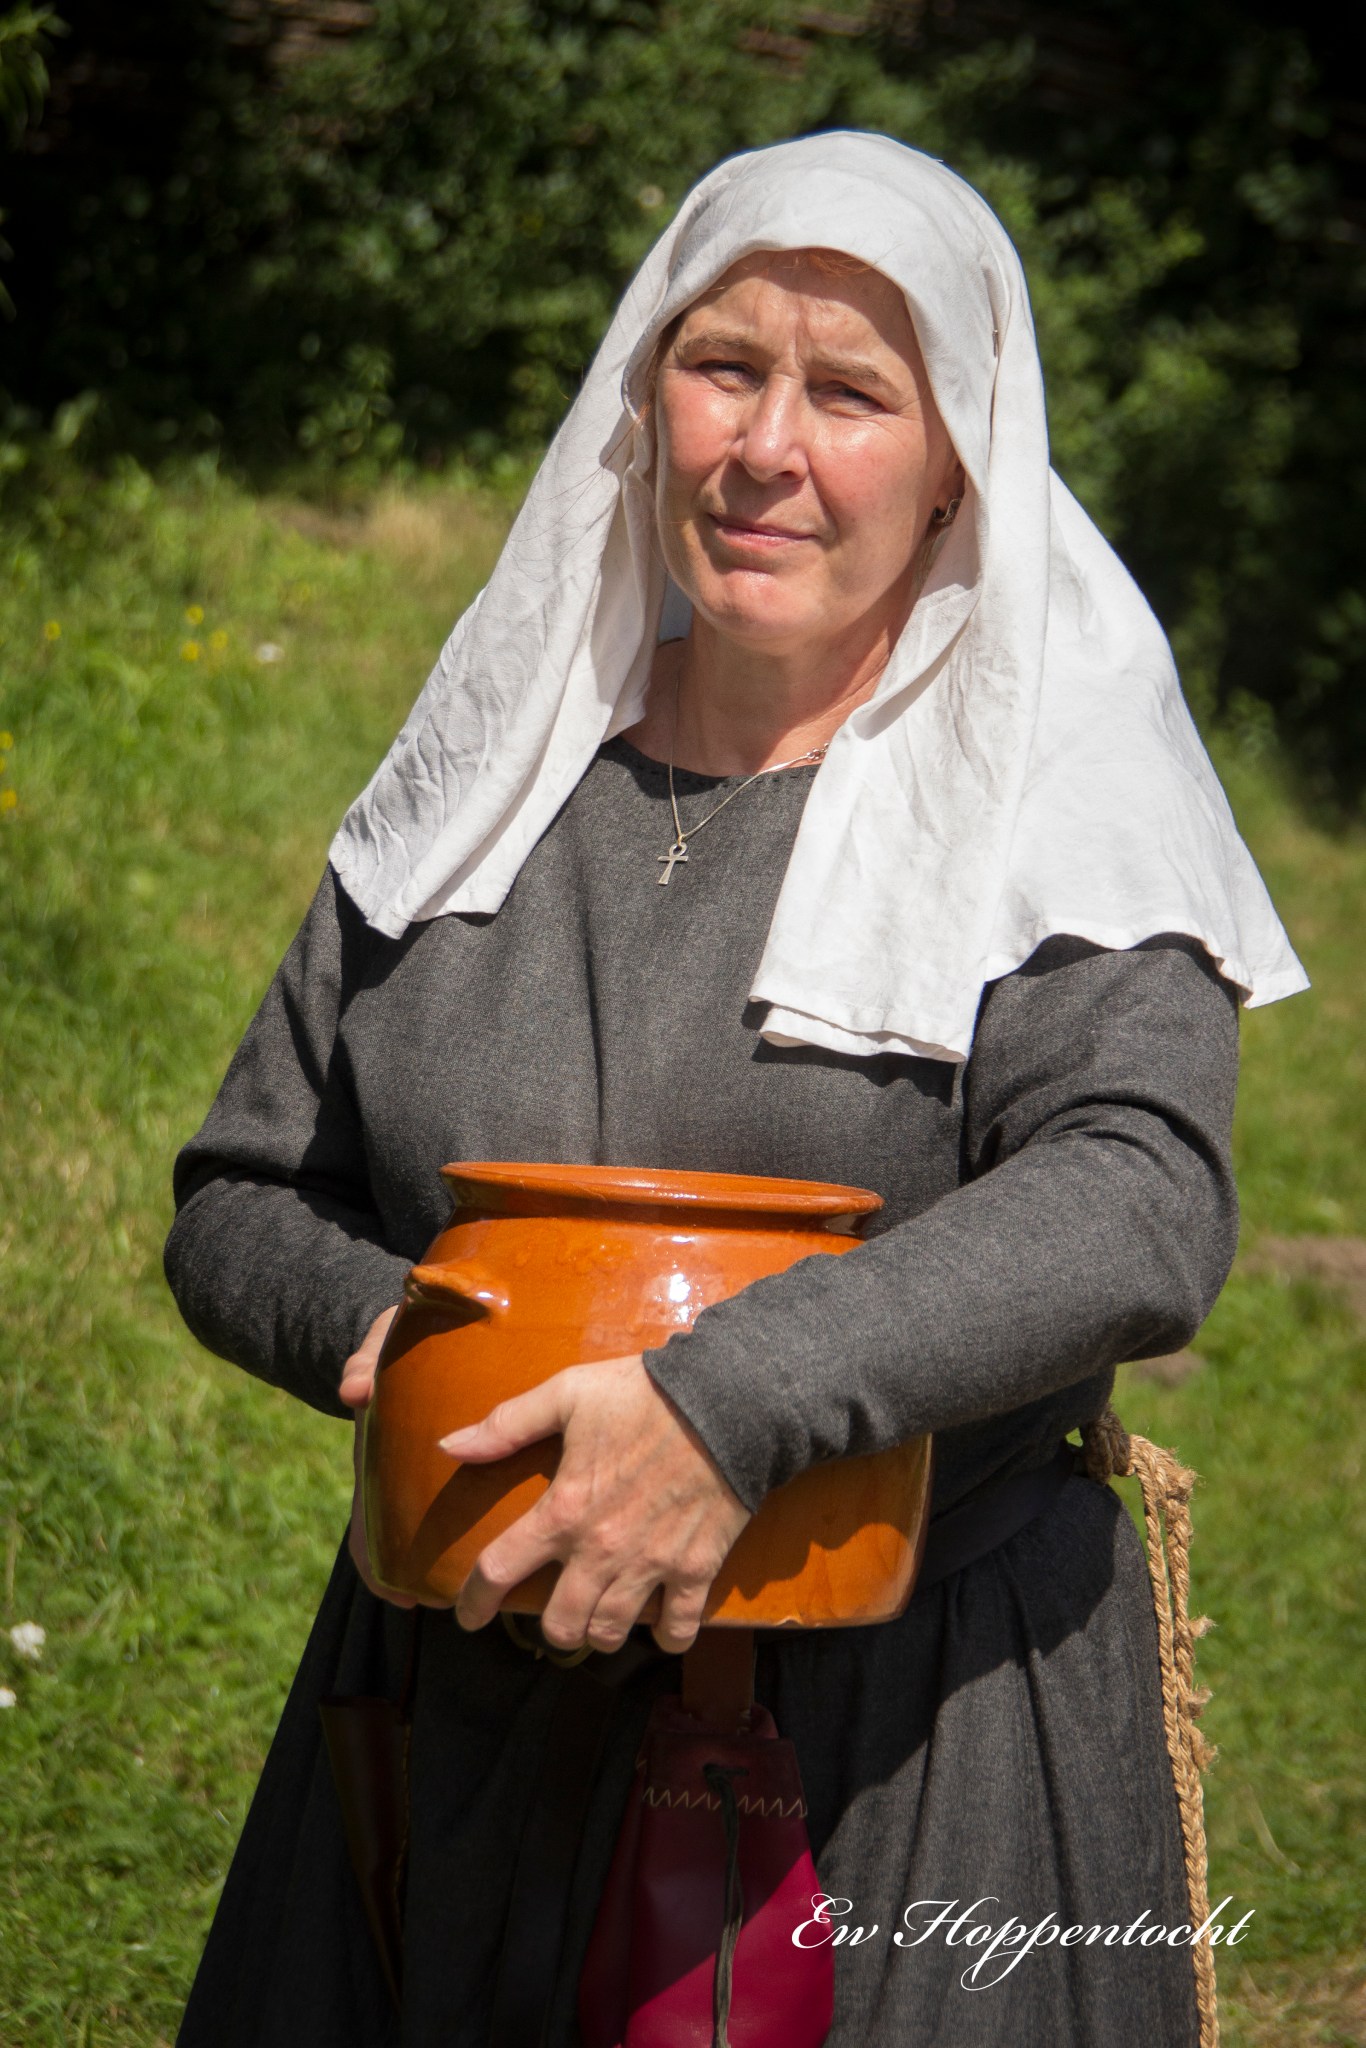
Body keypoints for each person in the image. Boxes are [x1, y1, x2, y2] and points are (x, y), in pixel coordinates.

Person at [164, 132, 1305, 2048]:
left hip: (906, 1746)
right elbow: (242, 1189)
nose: (767, 448)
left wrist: (725, 1410)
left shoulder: (1053, 806)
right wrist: (409, 1345)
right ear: (645, 400)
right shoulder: (497, 775)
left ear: (956, 464)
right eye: (722, 367)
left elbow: (1136, 1196)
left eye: (851, 393)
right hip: (461, 1708)